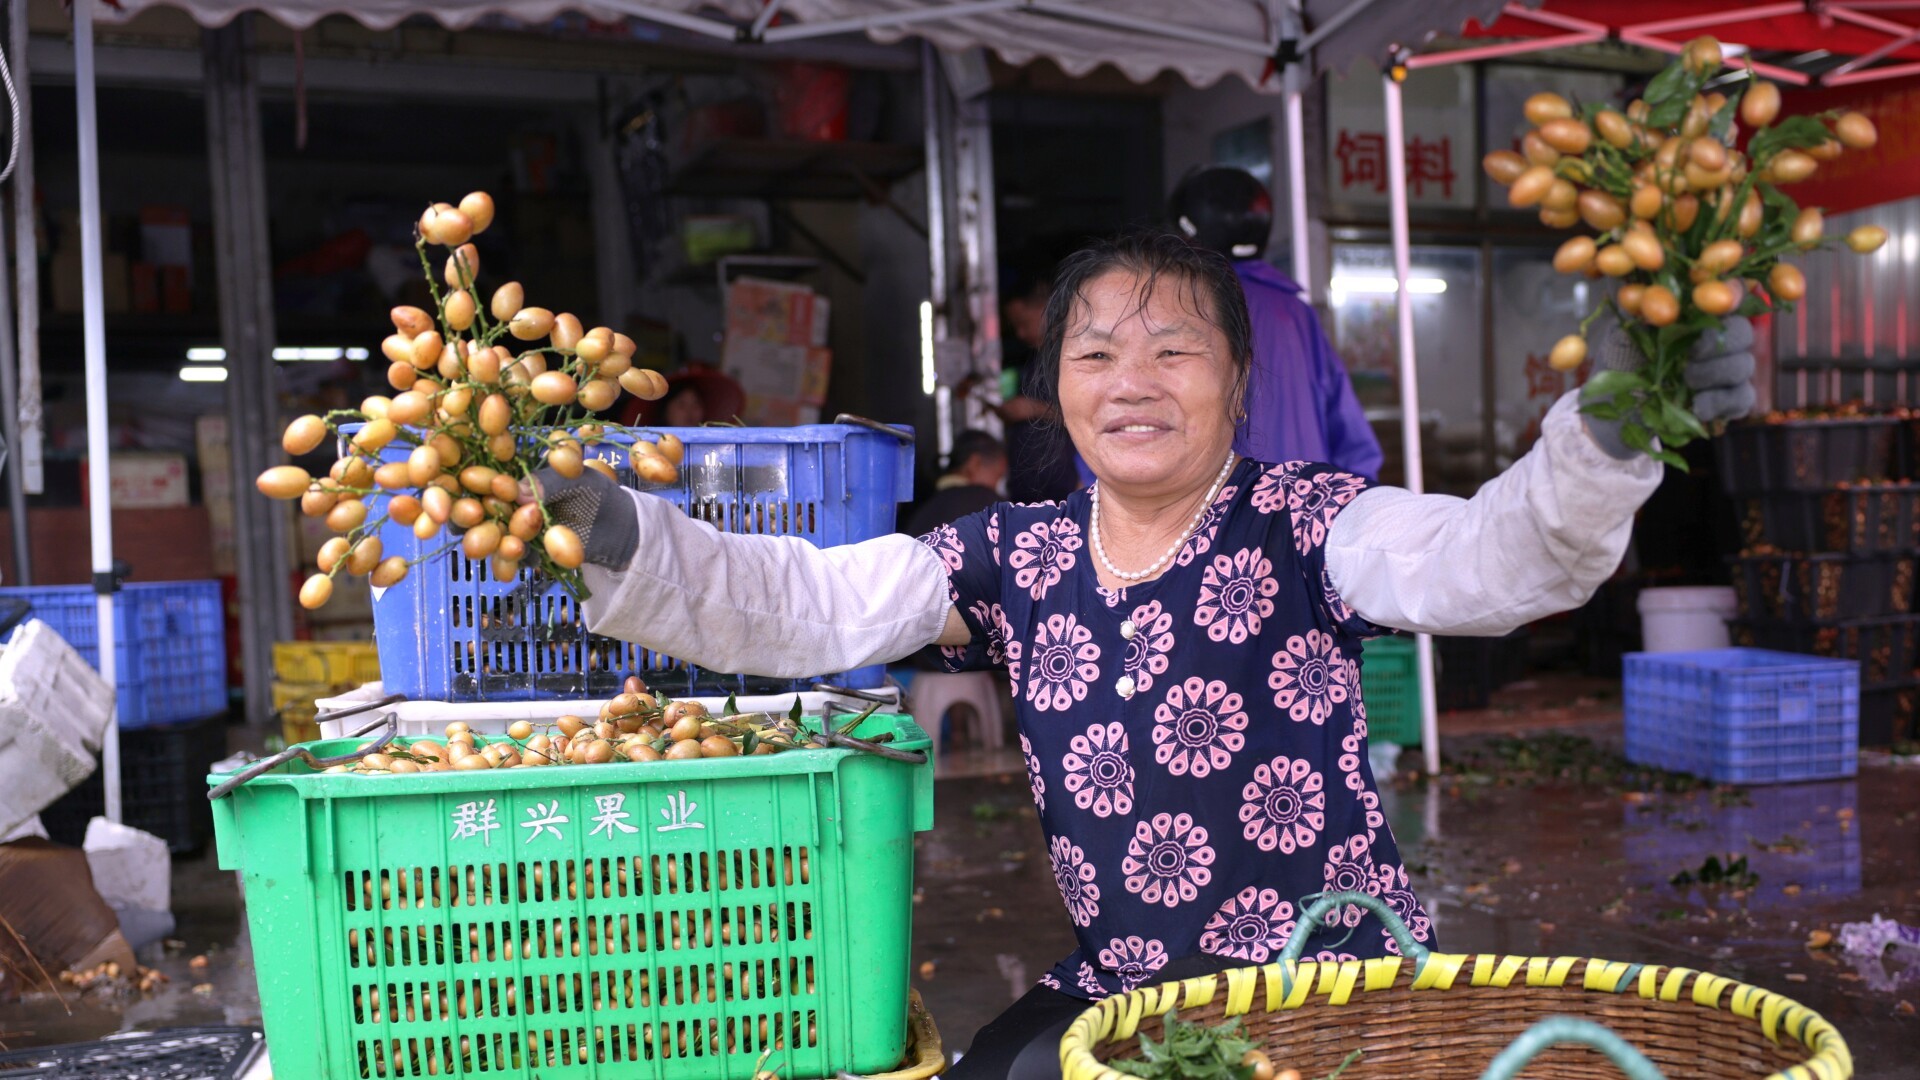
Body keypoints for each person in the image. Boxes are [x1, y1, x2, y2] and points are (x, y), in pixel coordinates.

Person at [533, 232, 1753, 1078]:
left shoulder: (1316, 522)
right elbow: (808, 600)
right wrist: (632, 538)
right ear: (1054, 388)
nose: (1133, 383)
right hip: (1125, 984)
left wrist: (1602, 443)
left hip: (1325, 986)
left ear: (1236, 381)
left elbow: (1501, 560)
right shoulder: (1007, 555)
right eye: (1097, 353)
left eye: (1173, 350)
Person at [1170, 166, 1384, 480]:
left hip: (1211, 519)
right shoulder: (1296, 312)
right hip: (1306, 512)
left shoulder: (1175, 307)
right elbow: (1352, 440)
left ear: (1187, 233)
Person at [987, 267, 1086, 503]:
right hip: (1030, 489)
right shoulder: (1034, 364)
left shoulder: (1075, 356)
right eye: (1015, 327)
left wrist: (1034, 409)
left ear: (1045, 310)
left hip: (1066, 487)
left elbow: (1087, 416)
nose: (1020, 334)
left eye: (1023, 323)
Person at [905, 430, 1008, 538]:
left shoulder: (918, 504)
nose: (996, 487)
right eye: (998, 477)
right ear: (974, 463)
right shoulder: (989, 506)